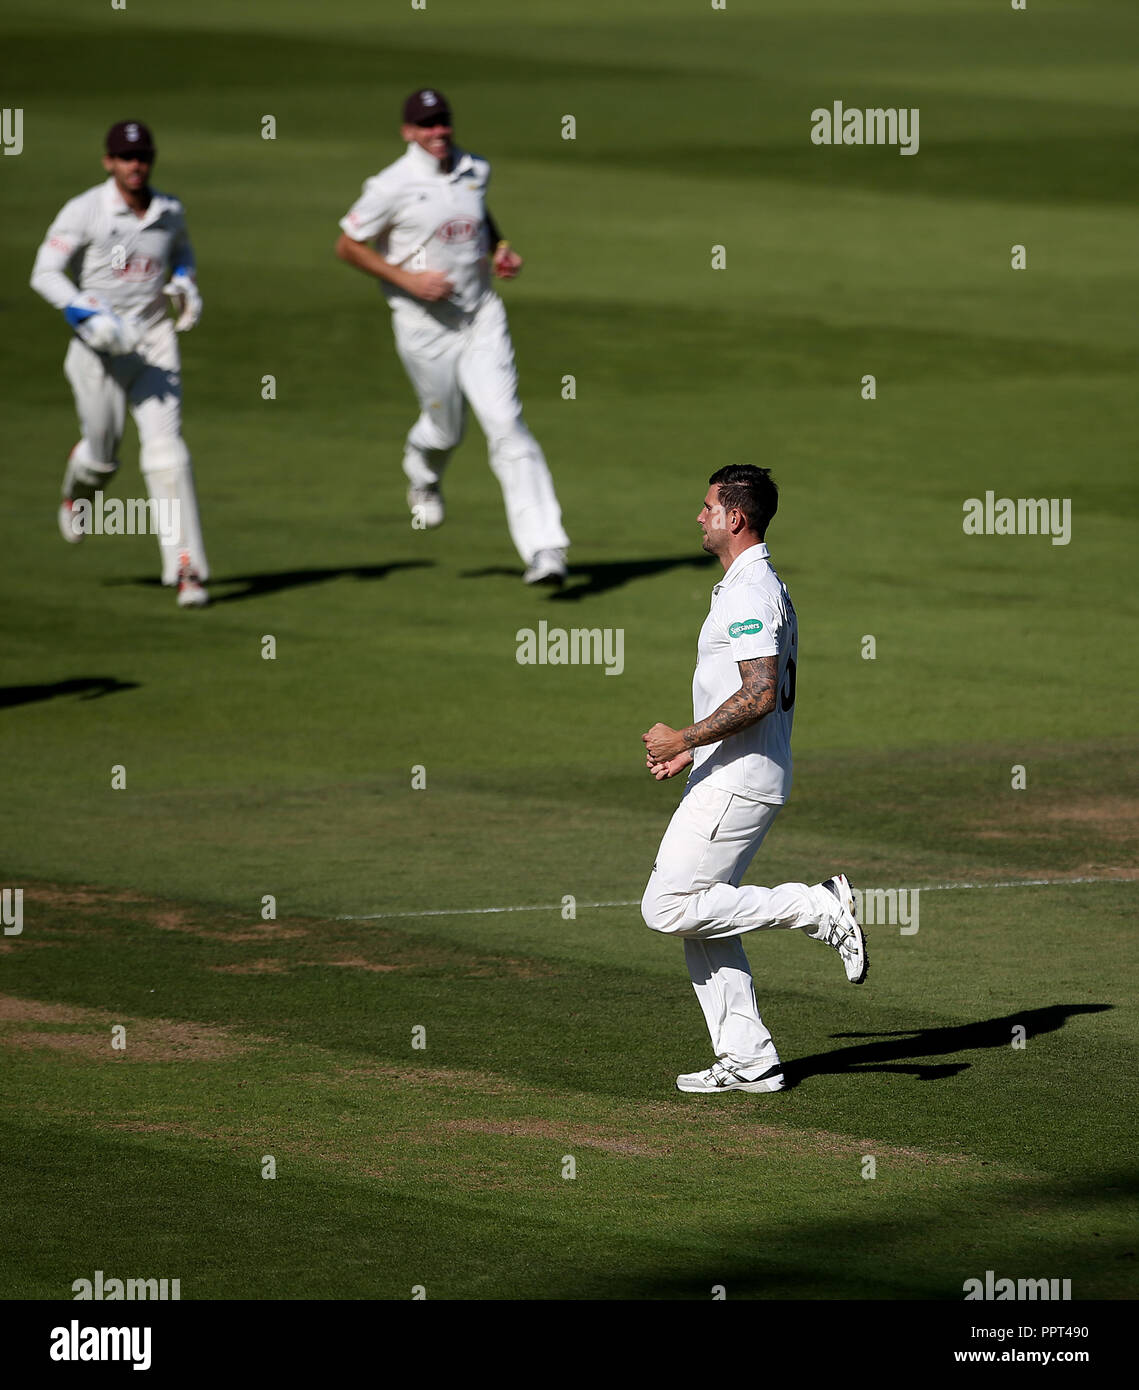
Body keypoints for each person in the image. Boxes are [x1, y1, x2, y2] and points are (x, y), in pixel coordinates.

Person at [641, 465, 868, 1094]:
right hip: (732, 770)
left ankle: (816, 907)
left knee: (665, 908)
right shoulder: (750, 585)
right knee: (698, 922)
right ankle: (750, 1061)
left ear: (735, 517)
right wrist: (697, 752)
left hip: (738, 780)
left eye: (708, 505)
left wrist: (685, 736)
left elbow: (760, 693)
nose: (700, 515)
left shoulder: (749, 590)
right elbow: (743, 691)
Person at [335, 88, 570, 586]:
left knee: (507, 424)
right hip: (425, 329)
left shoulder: (474, 169)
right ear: (408, 132)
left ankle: (545, 548)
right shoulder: (389, 185)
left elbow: (477, 216)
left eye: (442, 122)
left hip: (481, 318)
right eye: (426, 125)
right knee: (445, 432)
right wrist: (408, 280)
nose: (438, 132)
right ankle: (422, 475)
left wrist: (500, 249)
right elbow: (348, 245)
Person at [30, 119, 209, 608]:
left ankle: (187, 568)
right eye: (126, 158)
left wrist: (185, 284)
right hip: (98, 350)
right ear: (109, 161)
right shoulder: (86, 210)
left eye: (143, 157)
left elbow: (181, 253)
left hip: (153, 342)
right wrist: (87, 313)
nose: (136, 166)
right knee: (103, 457)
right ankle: (79, 493)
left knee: (167, 452)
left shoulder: (169, 210)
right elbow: (44, 272)